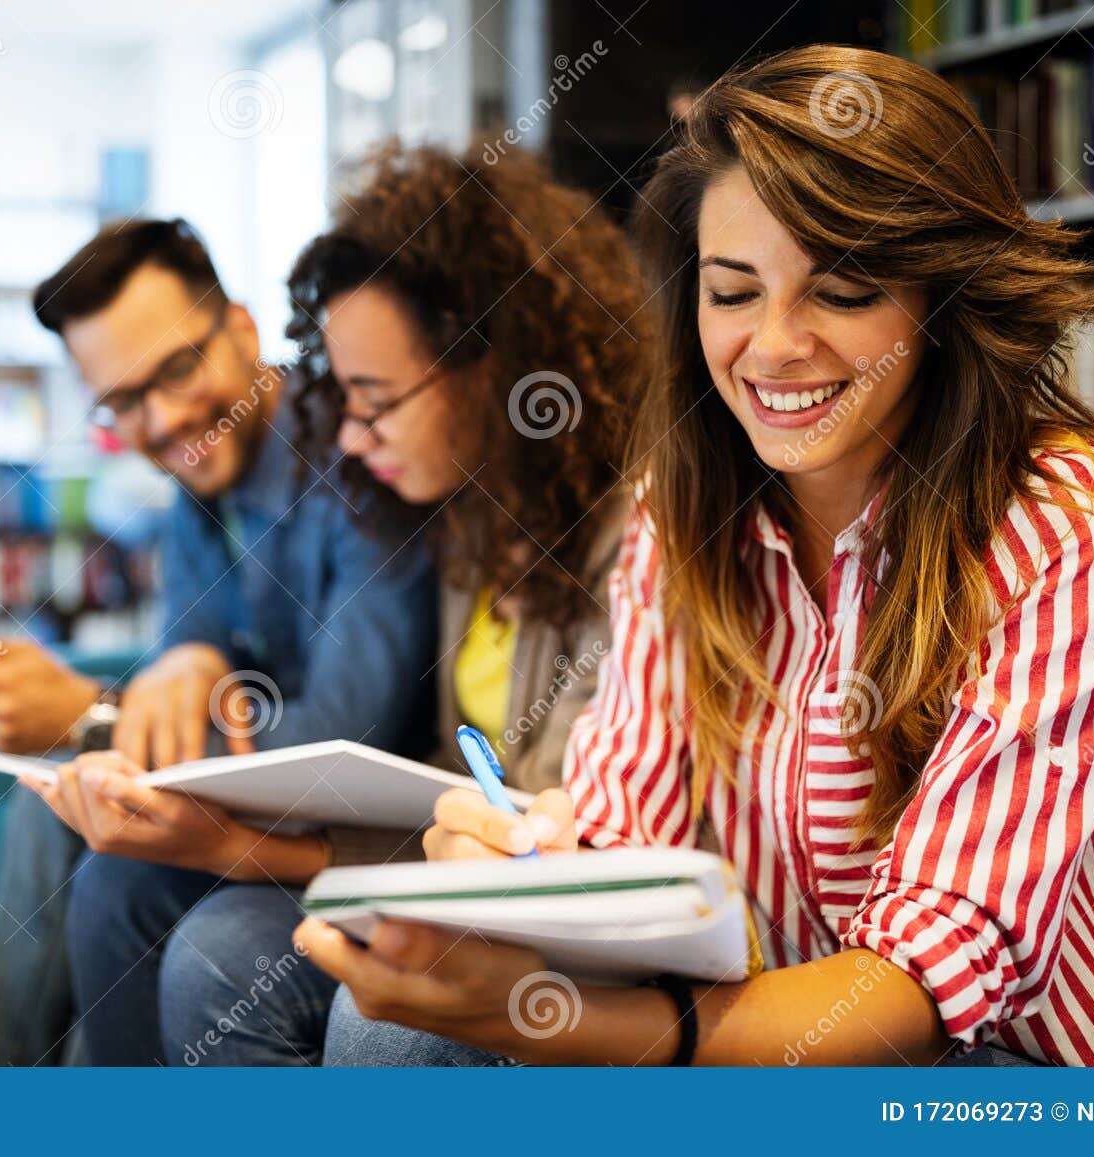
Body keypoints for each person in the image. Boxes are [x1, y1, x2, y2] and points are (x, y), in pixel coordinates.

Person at [300, 45, 1094, 1067]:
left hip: (1018, 1070)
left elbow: (924, 983)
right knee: (386, 1027)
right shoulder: (677, 509)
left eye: (843, 292)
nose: (771, 345)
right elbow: (622, 822)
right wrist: (526, 865)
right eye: (732, 292)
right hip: (769, 1041)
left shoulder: (1055, 519)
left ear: (945, 303)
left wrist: (598, 1022)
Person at [50, 141, 651, 1065]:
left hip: (530, 889)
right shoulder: (468, 515)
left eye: (375, 401)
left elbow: (533, 836)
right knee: (113, 870)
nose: (354, 436)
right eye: (121, 402)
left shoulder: (619, 537)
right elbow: (451, 771)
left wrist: (212, 824)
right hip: (432, 852)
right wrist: (186, 668)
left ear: (490, 365)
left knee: (237, 964)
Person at [0, 218, 437, 1065]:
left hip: (376, 812)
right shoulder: (200, 492)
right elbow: (192, 664)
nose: (165, 416)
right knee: (61, 799)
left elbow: (344, 738)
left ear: (243, 329)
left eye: (176, 368)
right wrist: (184, 667)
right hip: (270, 791)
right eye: (124, 401)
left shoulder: (359, 457)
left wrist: (96, 714)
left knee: (109, 857)